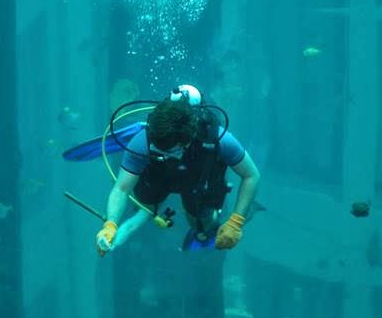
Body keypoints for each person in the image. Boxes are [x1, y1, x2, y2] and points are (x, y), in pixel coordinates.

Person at [95, 85, 260, 255]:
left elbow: (251, 175)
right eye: (157, 149)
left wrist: (236, 221)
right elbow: (122, 188)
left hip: (198, 177)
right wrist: (110, 224)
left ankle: (220, 218)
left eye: (169, 151)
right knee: (142, 204)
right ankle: (147, 211)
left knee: (200, 224)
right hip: (159, 175)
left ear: (187, 141)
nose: (162, 155)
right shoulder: (142, 141)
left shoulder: (219, 139)